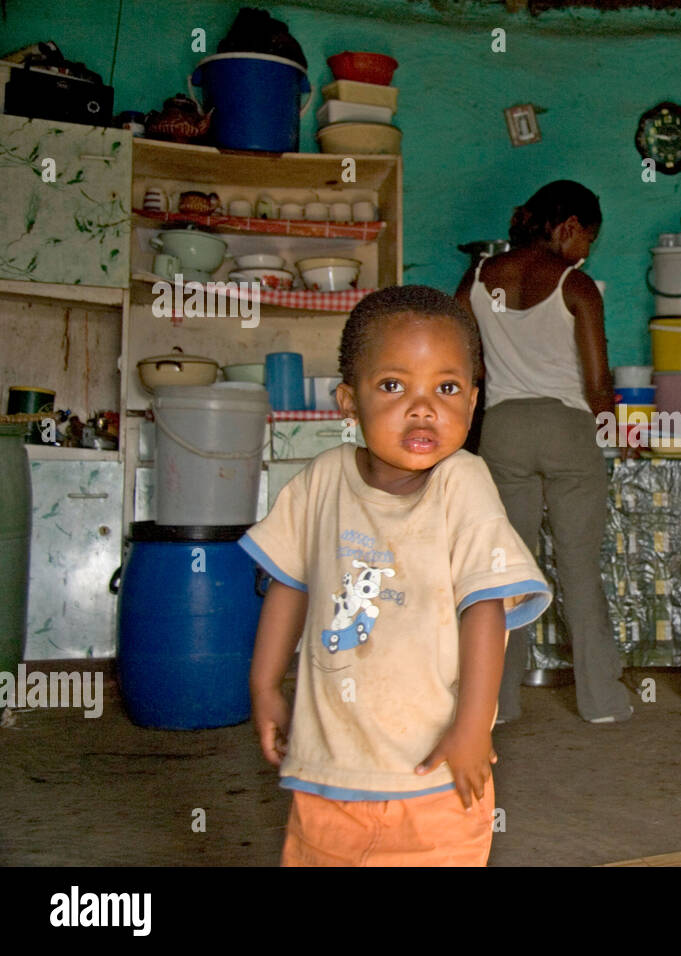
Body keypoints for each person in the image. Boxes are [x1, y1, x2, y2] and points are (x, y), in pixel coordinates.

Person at [243, 285, 552, 866]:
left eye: (447, 387)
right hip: (327, 768)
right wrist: (264, 686)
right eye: (393, 386)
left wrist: (471, 728)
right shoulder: (322, 481)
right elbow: (290, 583)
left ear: (474, 399)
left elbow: (483, 608)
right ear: (347, 401)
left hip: (435, 771)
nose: (422, 406)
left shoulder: (463, 483)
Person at [455, 180, 633, 724]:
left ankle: (496, 704)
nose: (587, 253)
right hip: (567, 430)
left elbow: (461, 359)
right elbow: (598, 383)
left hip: (503, 430)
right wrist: (614, 435)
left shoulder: (479, 280)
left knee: (508, 571)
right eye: (589, 240)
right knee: (579, 568)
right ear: (569, 227)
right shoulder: (576, 286)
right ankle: (601, 702)